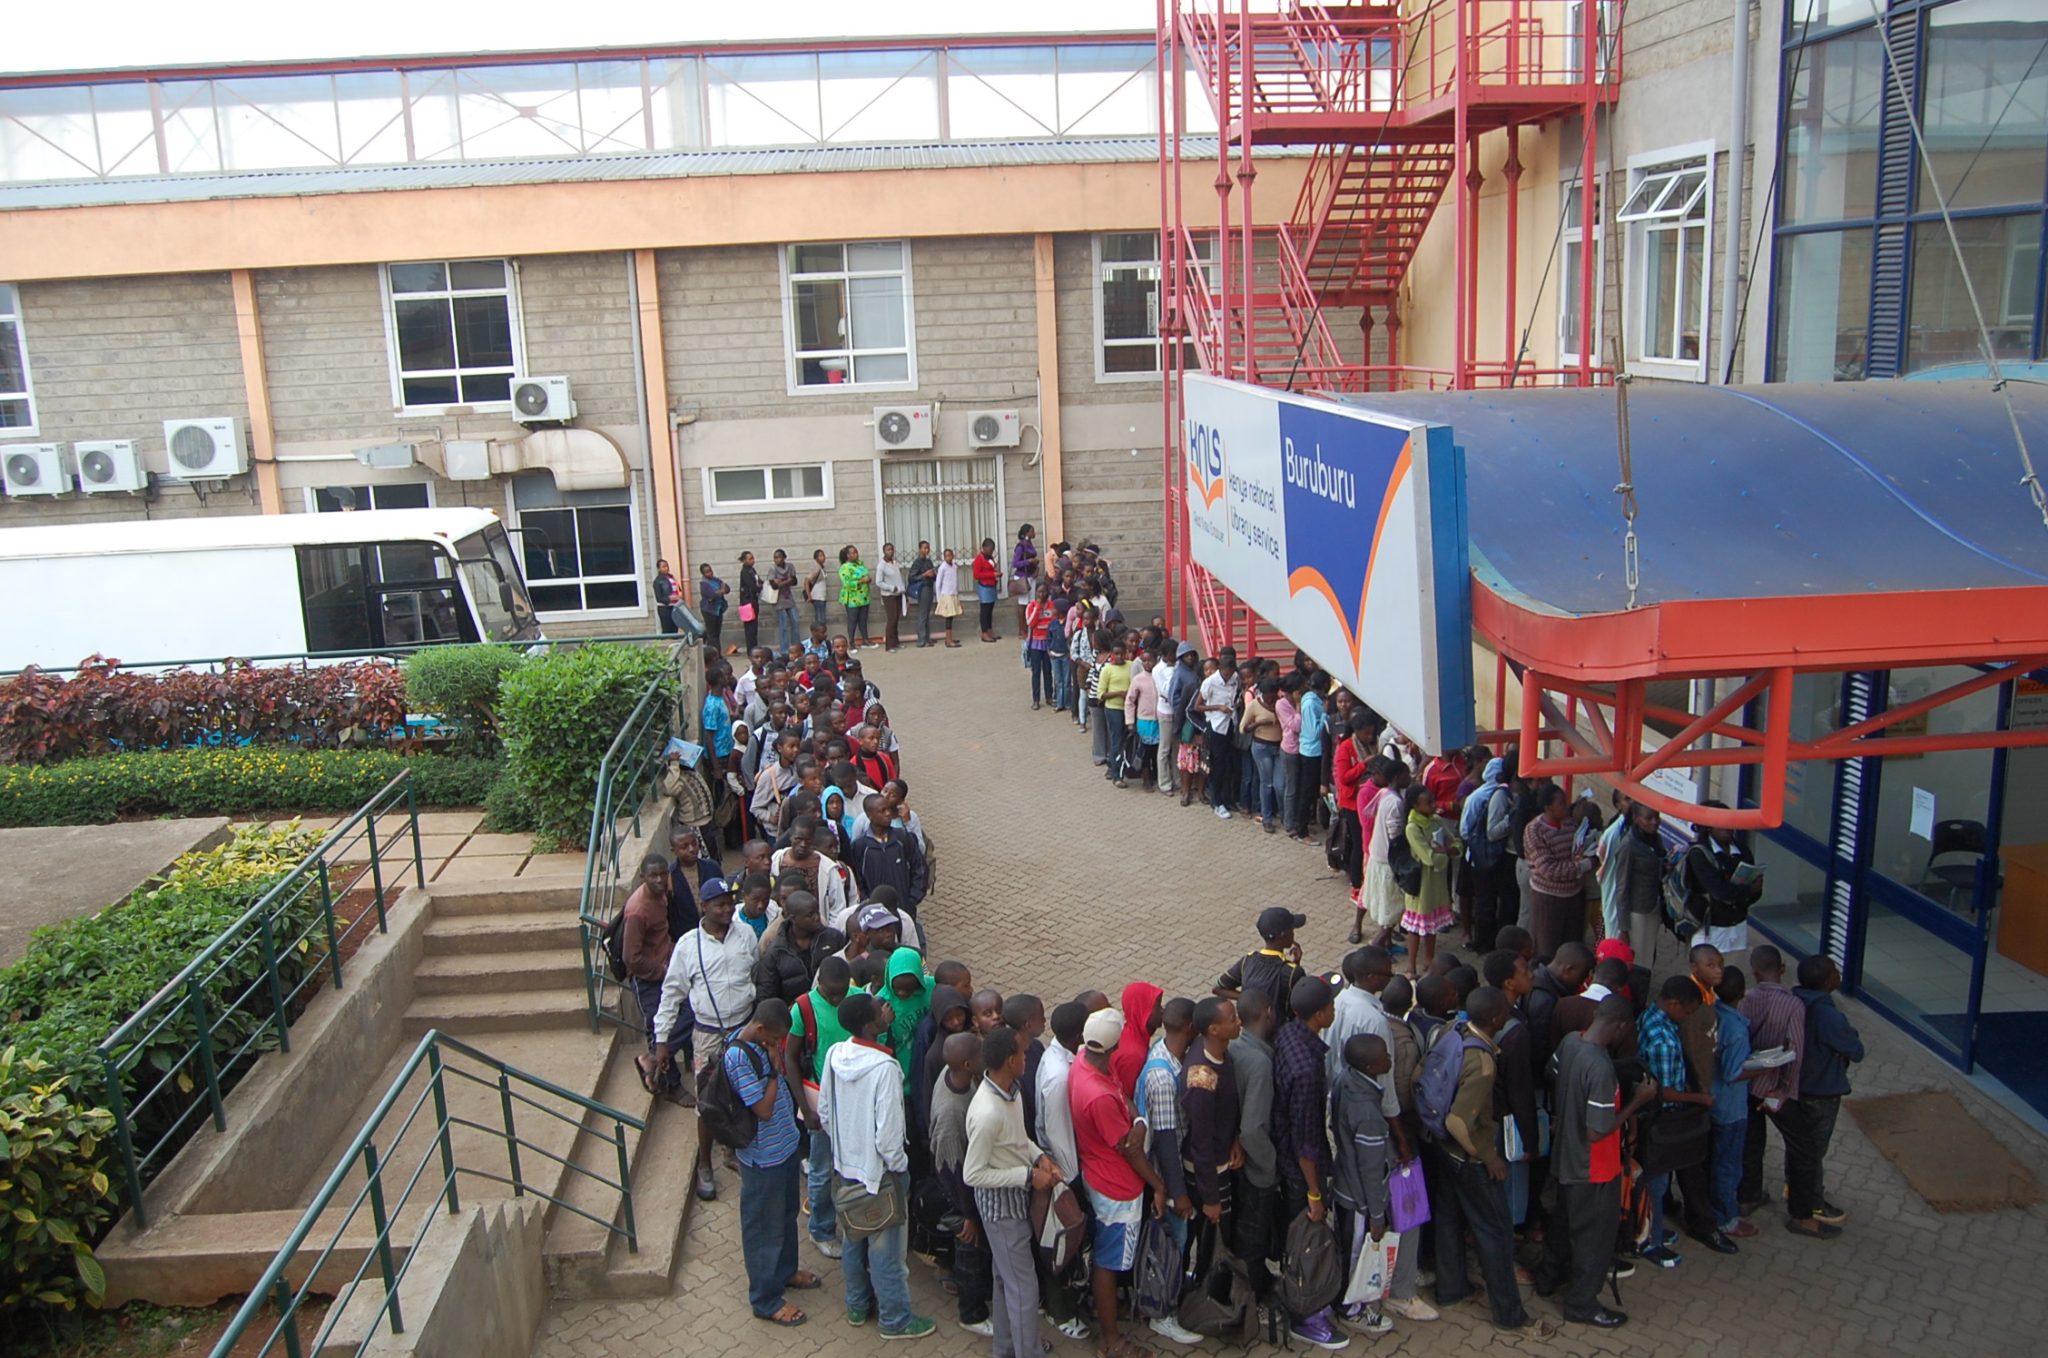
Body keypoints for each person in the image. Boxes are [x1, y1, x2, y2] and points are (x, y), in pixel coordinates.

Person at [1431, 987, 1553, 1337]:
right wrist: (1489, 1157)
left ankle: (1451, 1289)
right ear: (1498, 1019)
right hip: (1469, 1155)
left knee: (1449, 1218)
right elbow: (1458, 1122)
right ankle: (1510, 1314)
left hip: (1442, 1148)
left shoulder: (1449, 1031)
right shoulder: (1483, 1063)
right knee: (1496, 1233)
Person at [820, 992, 936, 1339]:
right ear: (872, 1026)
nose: (886, 1009)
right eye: (879, 1010)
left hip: (844, 1168)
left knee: (854, 1237)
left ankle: (857, 1305)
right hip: (881, 1174)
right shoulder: (886, 1069)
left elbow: (825, 1111)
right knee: (887, 1254)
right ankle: (895, 1319)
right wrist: (899, 1168)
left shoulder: (835, 1054)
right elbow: (888, 1136)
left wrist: (846, 1151)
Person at [1533, 995, 1648, 1328]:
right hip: (1594, 1168)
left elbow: (1550, 1072)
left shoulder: (1571, 1042)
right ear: (1621, 1026)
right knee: (1593, 1242)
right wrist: (1637, 1102)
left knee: (1562, 1224)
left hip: (1564, 1157)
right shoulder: (1600, 1068)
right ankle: (1582, 1305)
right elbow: (1598, 1132)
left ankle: (1547, 1278)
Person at [1069, 1006, 1168, 1358]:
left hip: (1099, 1175)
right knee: (1108, 1264)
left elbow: (1123, 1101)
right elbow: (1131, 1150)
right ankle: (1111, 1341)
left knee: (1107, 1259)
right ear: (1112, 1048)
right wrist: (1157, 1185)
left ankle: (1108, 1315)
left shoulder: (1084, 1059)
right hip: (1117, 1189)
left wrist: (1138, 1119)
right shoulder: (1098, 1097)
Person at [653, 876, 755, 1203]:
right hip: (709, 1035)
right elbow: (671, 995)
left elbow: (754, 975)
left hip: (743, 1029)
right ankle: (704, 1165)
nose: (727, 910)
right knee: (708, 1102)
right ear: (705, 906)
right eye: (720, 905)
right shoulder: (687, 945)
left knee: (741, 1095)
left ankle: (733, 1151)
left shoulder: (747, 935)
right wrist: (662, 1040)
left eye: (730, 903)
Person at [965, 1025, 1064, 1358]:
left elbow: (1018, 1140)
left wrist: (1040, 1158)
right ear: (1011, 1060)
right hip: (1001, 1211)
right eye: (1023, 1053)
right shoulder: (987, 1112)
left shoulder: (1012, 1091)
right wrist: (1026, 1175)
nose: (1028, 1056)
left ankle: (1007, 1348)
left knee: (1006, 1279)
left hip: (1015, 1199)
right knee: (1024, 1287)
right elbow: (973, 1173)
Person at [725, 998, 820, 1326]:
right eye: (776, 1038)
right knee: (762, 1228)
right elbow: (762, 1110)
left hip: (786, 1147)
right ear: (761, 1029)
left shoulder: (765, 1046)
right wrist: (775, 1071)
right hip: (762, 1159)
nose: (779, 1044)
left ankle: (785, 1271)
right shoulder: (738, 1057)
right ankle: (765, 1299)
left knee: (785, 1214)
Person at [1273, 976, 1346, 1350]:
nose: (1335, 1010)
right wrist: (1315, 1193)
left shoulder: (1289, 1033)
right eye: (1332, 1006)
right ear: (1319, 1014)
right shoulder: (1306, 1069)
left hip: (1291, 1161)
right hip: (1300, 1172)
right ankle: (1308, 1314)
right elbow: (1306, 1141)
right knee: (1309, 1243)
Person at [1636, 976, 1717, 1267]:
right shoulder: (1665, 1042)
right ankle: (1651, 1243)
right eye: (1688, 1011)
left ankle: (1652, 1228)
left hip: (1655, 1118)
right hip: (1662, 1120)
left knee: (1657, 1181)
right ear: (1673, 1004)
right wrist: (1700, 1099)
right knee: (1657, 1183)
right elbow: (1665, 1092)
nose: (1690, 1017)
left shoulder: (1652, 1016)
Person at [1788, 955, 1860, 1239]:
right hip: (1820, 1091)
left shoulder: (1793, 1002)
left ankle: (1796, 1189)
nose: (1838, 974)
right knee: (1813, 1151)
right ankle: (1811, 1203)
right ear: (1827, 981)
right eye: (1834, 972)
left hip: (1794, 1086)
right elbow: (1855, 1049)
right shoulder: (1827, 1014)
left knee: (1799, 1146)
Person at [1329, 1034, 1394, 1337]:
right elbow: (1370, 1170)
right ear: (1371, 1066)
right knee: (1355, 1253)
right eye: (1384, 1056)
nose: (1389, 1059)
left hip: (1343, 1181)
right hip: (1358, 1200)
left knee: (1345, 1248)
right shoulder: (1367, 1112)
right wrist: (1377, 1215)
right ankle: (1350, 1308)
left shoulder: (1345, 1079)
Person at [787, 955, 852, 1257]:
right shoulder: (803, 1007)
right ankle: (822, 1230)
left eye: (841, 993)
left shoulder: (859, 999)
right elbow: (790, 1058)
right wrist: (806, 1110)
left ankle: (855, 1223)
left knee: (850, 1169)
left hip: (852, 1101)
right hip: (820, 1102)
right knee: (821, 1170)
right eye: (830, 993)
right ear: (819, 984)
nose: (836, 999)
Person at [931, 1031, 995, 1339]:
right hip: (960, 1193)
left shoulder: (958, 1074)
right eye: (981, 1053)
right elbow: (951, 1170)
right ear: (968, 1063)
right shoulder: (950, 1113)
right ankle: (972, 1314)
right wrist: (967, 1213)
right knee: (970, 1251)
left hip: (969, 1182)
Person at [1737, 944, 1807, 1215]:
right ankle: (1802, 1208)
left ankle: (1748, 1196)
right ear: (1783, 969)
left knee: (1751, 1143)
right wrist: (1785, 1090)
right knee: (1802, 1144)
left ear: (1754, 973)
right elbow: (1795, 1052)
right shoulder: (1793, 1005)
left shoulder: (1746, 998)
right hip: (1775, 1087)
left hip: (1747, 1084)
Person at [1227, 987, 1282, 1305]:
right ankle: (1250, 1296)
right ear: (1269, 1012)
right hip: (1256, 1168)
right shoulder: (1260, 1064)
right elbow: (1252, 1129)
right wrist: (1270, 1164)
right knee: (1253, 1234)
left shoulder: (1236, 1048)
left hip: (1238, 1160)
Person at [623, 854, 687, 1102]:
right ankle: (671, 1085)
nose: (660, 880)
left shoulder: (662, 894)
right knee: (659, 1028)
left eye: (663, 874)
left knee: (686, 1016)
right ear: (643, 877)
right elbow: (632, 958)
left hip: (666, 966)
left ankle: (651, 1059)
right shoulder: (637, 910)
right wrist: (663, 972)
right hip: (648, 978)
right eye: (653, 876)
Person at [1708, 966, 1758, 1241]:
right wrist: (1762, 1068)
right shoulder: (1737, 1029)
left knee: (1715, 1161)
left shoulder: (1712, 1014)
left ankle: (1714, 1209)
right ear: (1742, 993)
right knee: (1728, 1166)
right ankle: (1726, 1219)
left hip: (1712, 1101)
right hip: (1731, 1108)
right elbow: (1732, 1072)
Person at [1685, 808, 1764, 958]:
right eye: (1722, 824)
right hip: (1711, 929)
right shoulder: (1699, 854)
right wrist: (1748, 890)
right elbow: (1719, 891)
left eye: (1730, 823)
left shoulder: (1742, 851)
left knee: (1733, 976)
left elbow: (1754, 893)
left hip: (1738, 926)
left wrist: (1754, 889)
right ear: (1710, 826)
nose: (1728, 828)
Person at [1400, 785, 1460, 978]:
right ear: (1416, 806)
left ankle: (1430, 958)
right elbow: (1428, 857)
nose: (1434, 806)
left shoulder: (1436, 821)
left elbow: (1456, 843)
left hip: (1437, 882)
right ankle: (1411, 964)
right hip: (1421, 884)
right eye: (1429, 803)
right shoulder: (1412, 827)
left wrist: (1448, 851)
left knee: (1432, 925)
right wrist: (1446, 854)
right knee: (1415, 927)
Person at [1523, 784, 1589, 960]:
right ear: (1548, 807)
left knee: (1572, 948)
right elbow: (1548, 870)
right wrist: (1582, 866)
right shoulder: (1534, 831)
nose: (1566, 806)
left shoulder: (1571, 824)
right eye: (1561, 803)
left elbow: (1577, 852)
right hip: (1548, 899)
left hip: (1573, 895)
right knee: (1547, 950)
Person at [1458, 756, 1514, 952]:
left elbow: (1465, 830)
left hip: (1480, 857)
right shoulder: (1497, 796)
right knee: (1488, 901)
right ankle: (1486, 942)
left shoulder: (1479, 795)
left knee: (1485, 902)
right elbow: (1466, 831)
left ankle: (1485, 942)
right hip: (1486, 857)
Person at [1216, 906, 1307, 1023]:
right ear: (1283, 935)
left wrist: (1247, 998)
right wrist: (1296, 966)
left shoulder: (1247, 961)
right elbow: (1302, 1005)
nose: (1293, 933)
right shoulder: (1292, 972)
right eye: (1292, 929)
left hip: (1251, 1034)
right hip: (1280, 1035)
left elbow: (1218, 988)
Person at [1332, 714, 1379, 938]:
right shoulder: (1346, 748)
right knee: (1359, 842)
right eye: (1366, 733)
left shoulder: (1375, 744)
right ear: (1357, 732)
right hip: (1352, 802)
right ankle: (1356, 882)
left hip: (1371, 799)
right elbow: (1344, 778)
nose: (1370, 737)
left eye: (1372, 733)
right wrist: (1364, 765)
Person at [1608, 803, 1669, 968]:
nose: (1654, 822)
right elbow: (1621, 887)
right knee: (1636, 958)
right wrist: (1623, 928)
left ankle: (1644, 988)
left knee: (1648, 957)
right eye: (1648, 818)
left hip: (1653, 906)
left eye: (1657, 817)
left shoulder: (1656, 839)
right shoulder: (1628, 846)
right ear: (1636, 819)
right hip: (1636, 911)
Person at [1194, 651, 1242, 821]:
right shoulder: (1210, 682)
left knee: (1229, 764)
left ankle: (1228, 799)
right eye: (1226, 673)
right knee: (1217, 765)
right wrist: (1217, 707)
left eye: (1231, 673)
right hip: (1216, 727)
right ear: (1220, 669)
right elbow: (1198, 706)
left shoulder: (1235, 677)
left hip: (1230, 724)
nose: (1229, 676)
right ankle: (1216, 802)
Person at [1159, 642, 1199, 798]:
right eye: (1186, 655)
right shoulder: (1179, 673)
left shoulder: (1196, 670)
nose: (1189, 658)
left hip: (1198, 716)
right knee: (1181, 748)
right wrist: (1181, 709)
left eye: (1191, 655)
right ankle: (1182, 786)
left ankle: (1192, 783)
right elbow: (1172, 695)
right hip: (1184, 717)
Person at [1023, 585, 1057, 710]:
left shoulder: (1051, 605)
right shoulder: (1031, 606)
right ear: (1036, 593)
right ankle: (1036, 699)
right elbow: (1030, 623)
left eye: (1044, 592)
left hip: (1048, 643)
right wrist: (1038, 607)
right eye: (1039, 592)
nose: (1041, 594)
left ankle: (1049, 697)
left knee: (1048, 671)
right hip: (1035, 644)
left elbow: (1053, 622)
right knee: (1036, 672)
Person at [838, 545, 873, 650]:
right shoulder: (845, 567)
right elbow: (847, 583)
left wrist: (868, 579)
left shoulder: (860, 565)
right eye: (853, 552)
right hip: (852, 599)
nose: (856, 554)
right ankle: (851, 643)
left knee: (863, 619)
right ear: (848, 555)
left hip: (864, 597)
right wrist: (862, 580)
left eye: (856, 552)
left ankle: (865, 640)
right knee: (852, 620)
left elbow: (867, 576)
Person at [768, 549, 802, 653]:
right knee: (783, 626)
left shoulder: (790, 566)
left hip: (789, 598)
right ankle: (785, 650)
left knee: (795, 621)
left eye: (779, 557)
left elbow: (795, 581)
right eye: (775, 558)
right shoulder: (773, 569)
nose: (777, 560)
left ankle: (796, 646)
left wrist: (781, 582)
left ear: (784, 557)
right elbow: (774, 585)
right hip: (779, 600)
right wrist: (787, 581)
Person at [1010, 524, 1040, 644]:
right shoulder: (1020, 546)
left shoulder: (1030, 544)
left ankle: (1030, 627)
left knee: (1031, 602)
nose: (1034, 533)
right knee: (1022, 603)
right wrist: (1029, 561)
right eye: (1032, 531)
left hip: (1031, 576)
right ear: (1027, 532)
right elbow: (1015, 563)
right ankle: (1021, 630)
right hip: (1022, 577)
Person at [873, 542, 905, 652]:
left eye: (891, 549)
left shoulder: (895, 563)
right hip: (889, 595)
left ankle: (896, 642)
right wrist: (891, 588)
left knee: (896, 618)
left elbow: (898, 578)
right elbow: (878, 582)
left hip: (898, 594)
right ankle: (889, 645)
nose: (890, 552)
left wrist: (901, 589)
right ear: (884, 551)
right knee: (891, 619)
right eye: (888, 550)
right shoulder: (881, 565)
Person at [907, 540, 938, 648]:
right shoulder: (917, 562)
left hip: (929, 587)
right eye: (924, 548)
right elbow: (911, 578)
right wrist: (924, 574)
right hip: (923, 588)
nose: (926, 550)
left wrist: (933, 575)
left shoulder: (928, 561)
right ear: (920, 549)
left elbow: (934, 576)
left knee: (927, 614)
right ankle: (921, 640)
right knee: (922, 614)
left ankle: (927, 637)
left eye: (928, 548)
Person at [972, 538, 1002, 642]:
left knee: (990, 610)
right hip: (984, 587)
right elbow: (976, 575)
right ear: (984, 547)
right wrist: (992, 574)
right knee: (984, 611)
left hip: (992, 585)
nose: (991, 551)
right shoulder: (979, 559)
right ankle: (984, 633)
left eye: (993, 549)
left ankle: (990, 630)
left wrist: (996, 573)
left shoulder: (990, 558)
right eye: (990, 549)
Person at [699, 562, 732, 655]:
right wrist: (721, 591)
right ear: (703, 574)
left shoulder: (716, 580)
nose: (710, 573)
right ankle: (714, 655)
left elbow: (727, 589)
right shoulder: (704, 584)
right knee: (712, 635)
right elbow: (711, 595)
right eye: (707, 572)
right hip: (709, 611)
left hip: (718, 610)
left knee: (717, 634)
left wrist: (720, 591)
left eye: (710, 571)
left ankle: (717, 654)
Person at [934, 547, 963, 647]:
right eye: (946, 556)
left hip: (953, 594)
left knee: (952, 617)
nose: (948, 557)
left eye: (950, 555)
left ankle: (949, 638)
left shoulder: (954, 566)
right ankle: (948, 640)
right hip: (946, 595)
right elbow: (938, 584)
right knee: (948, 618)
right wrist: (939, 599)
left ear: (953, 556)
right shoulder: (942, 568)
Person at [737, 551, 763, 654]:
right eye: (749, 559)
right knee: (750, 628)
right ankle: (751, 649)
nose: (752, 561)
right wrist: (759, 587)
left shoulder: (752, 570)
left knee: (754, 627)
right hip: (747, 603)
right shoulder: (745, 572)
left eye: (753, 558)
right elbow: (752, 586)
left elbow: (757, 581)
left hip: (753, 601)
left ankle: (754, 647)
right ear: (744, 560)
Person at [653, 559, 681, 633]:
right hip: (665, 608)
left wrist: (679, 595)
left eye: (667, 566)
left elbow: (678, 589)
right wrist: (670, 598)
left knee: (675, 628)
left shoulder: (671, 577)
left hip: (675, 606)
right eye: (663, 567)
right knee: (667, 629)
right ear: (659, 569)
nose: (666, 568)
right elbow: (658, 598)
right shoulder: (658, 581)